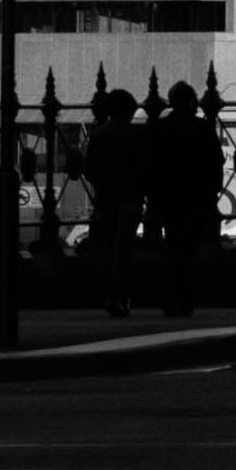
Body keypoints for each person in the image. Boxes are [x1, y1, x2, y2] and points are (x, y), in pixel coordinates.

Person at [150, 79, 209, 318]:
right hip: (194, 196)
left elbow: (151, 162)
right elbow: (214, 162)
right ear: (189, 101)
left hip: (168, 196)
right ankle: (183, 298)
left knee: (173, 247)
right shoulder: (202, 128)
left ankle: (171, 298)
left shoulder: (159, 128)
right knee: (188, 250)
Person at [89, 81, 145, 316]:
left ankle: (112, 295)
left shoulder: (98, 135)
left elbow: (89, 169)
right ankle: (119, 295)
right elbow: (143, 168)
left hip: (106, 198)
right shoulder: (136, 135)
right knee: (124, 250)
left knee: (109, 249)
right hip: (130, 198)